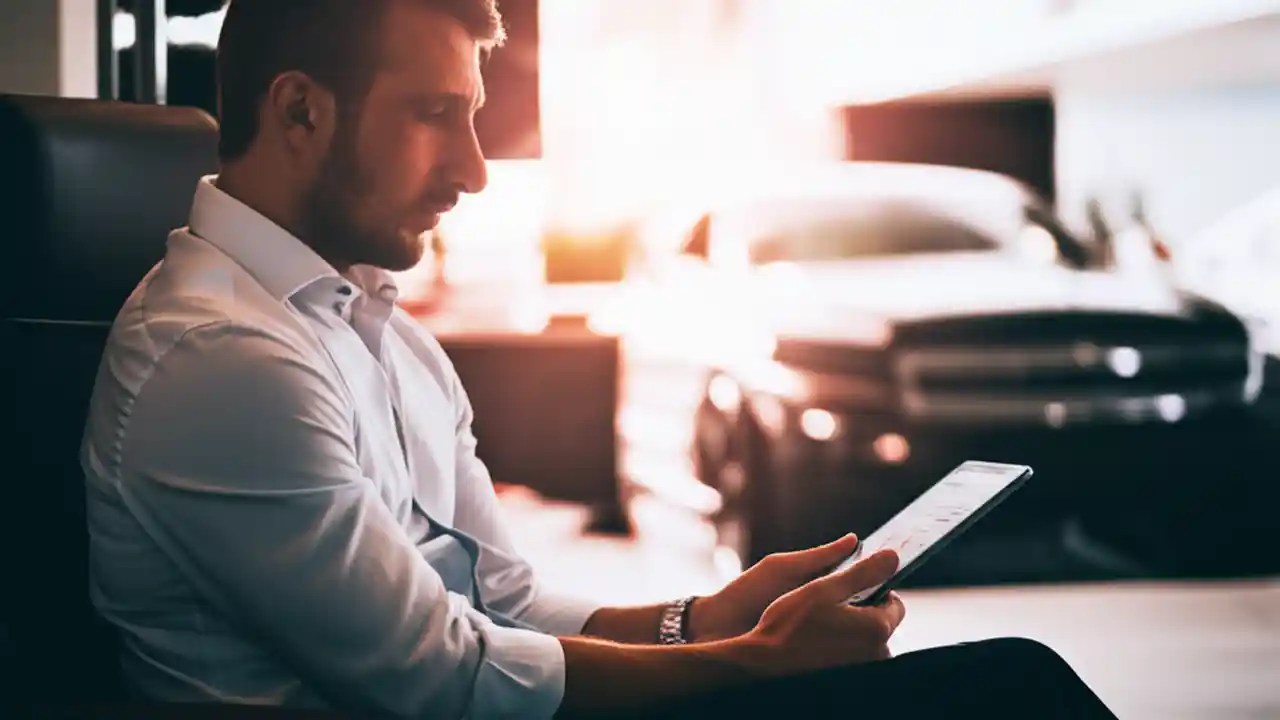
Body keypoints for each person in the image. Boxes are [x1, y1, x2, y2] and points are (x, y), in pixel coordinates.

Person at [80, 1, 1116, 718]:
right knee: (1008, 692)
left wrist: (701, 617)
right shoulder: (220, 356)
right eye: (436, 115)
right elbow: (438, 682)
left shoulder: (379, 332)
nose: (475, 170)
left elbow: (506, 603)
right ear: (300, 111)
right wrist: (743, 664)